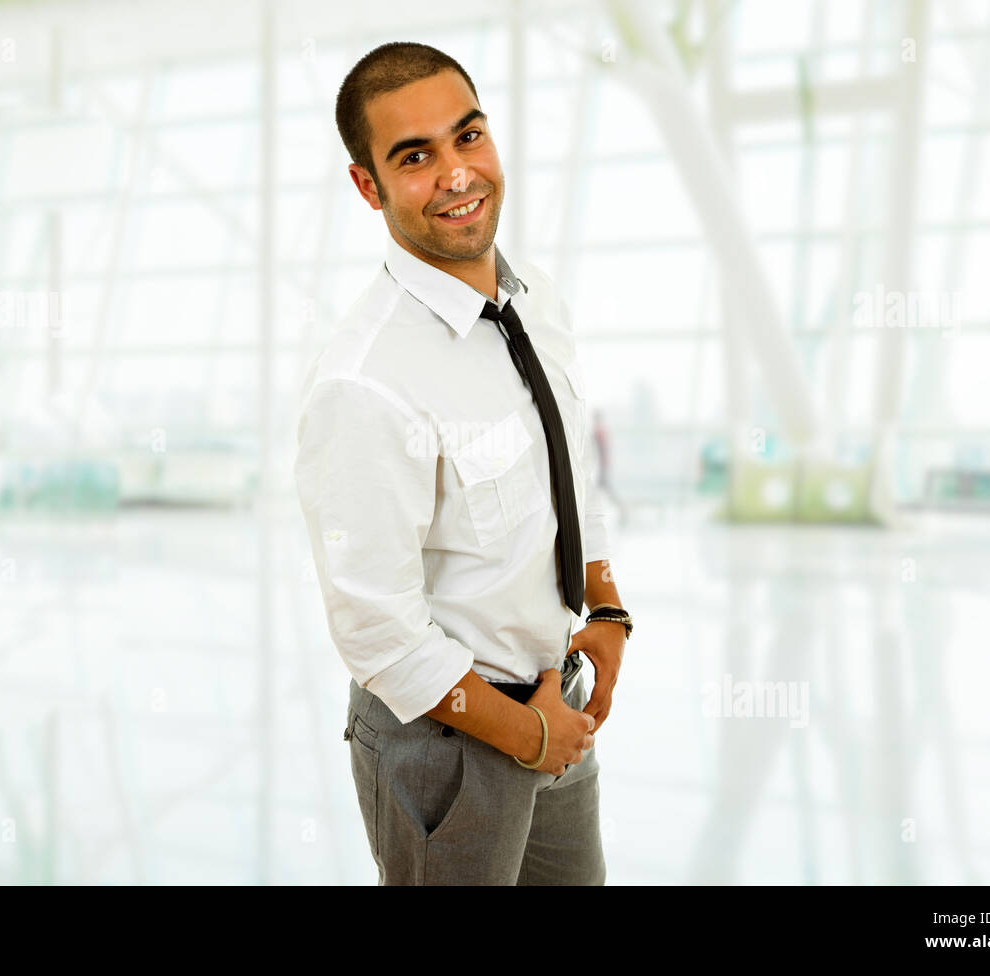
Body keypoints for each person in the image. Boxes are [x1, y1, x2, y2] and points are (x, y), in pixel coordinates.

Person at [293, 41, 633, 885]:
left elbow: (560, 473)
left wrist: (606, 604)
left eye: (467, 137)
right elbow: (375, 631)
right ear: (367, 187)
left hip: (556, 696)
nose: (456, 174)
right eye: (415, 156)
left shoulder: (535, 302)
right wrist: (526, 735)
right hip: (442, 745)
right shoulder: (363, 381)